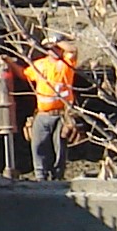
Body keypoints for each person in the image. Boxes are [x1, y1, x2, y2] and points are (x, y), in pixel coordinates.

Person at [23, 36, 77, 181]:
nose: (52, 51)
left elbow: (73, 50)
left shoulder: (66, 64)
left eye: (56, 48)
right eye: (49, 48)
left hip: (61, 115)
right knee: (38, 145)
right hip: (42, 115)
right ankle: (41, 177)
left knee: (60, 147)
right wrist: (9, 63)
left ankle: (57, 177)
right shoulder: (40, 65)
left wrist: (56, 40)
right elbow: (24, 74)